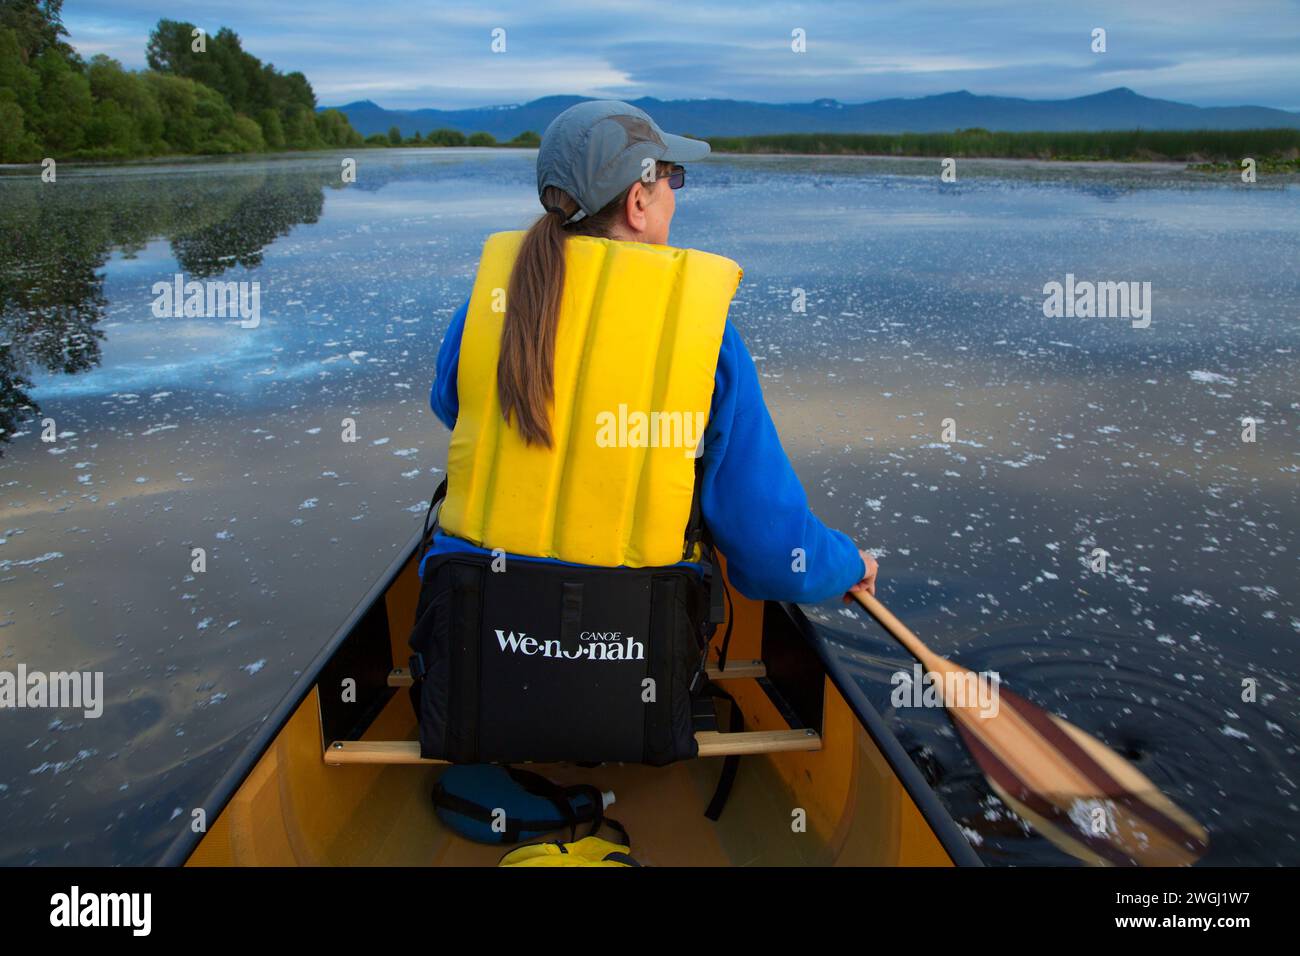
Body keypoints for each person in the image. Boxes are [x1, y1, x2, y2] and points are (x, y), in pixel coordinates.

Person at [407, 100, 876, 767]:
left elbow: (456, 409)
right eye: (673, 181)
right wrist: (847, 564)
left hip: (480, 656)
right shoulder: (707, 339)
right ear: (637, 201)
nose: (674, 200)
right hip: (634, 678)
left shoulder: (486, 306)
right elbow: (771, 554)